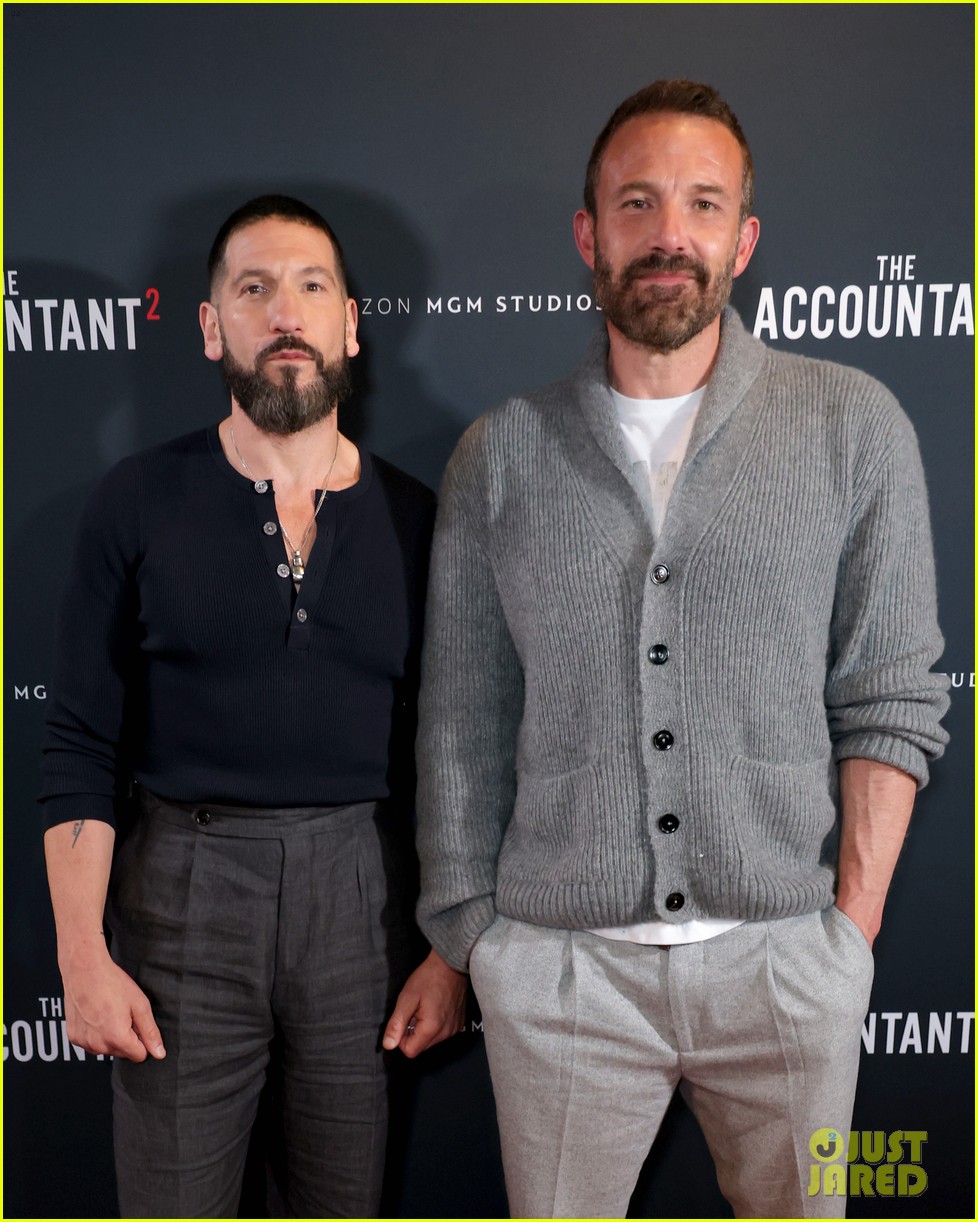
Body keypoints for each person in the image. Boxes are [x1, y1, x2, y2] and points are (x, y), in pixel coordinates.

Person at [415, 80, 949, 1219]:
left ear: (743, 240)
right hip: (562, 980)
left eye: (703, 204)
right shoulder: (500, 455)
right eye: (638, 202)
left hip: (785, 966)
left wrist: (845, 940)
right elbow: (463, 717)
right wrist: (475, 939)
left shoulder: (853, 426)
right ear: (589, 235)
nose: (669, 234)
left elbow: (891, 694)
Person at [41, 194, 467, 1219]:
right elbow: (79, 740)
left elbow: (460, 752)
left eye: (312, 287)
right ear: (210, 325)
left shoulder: (423, 520)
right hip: (180, 902)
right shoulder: (134, 501)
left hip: (361, 906)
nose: (285, 312)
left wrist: (453, 951)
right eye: (254, 288)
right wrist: (81, 955)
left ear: (351, 325)